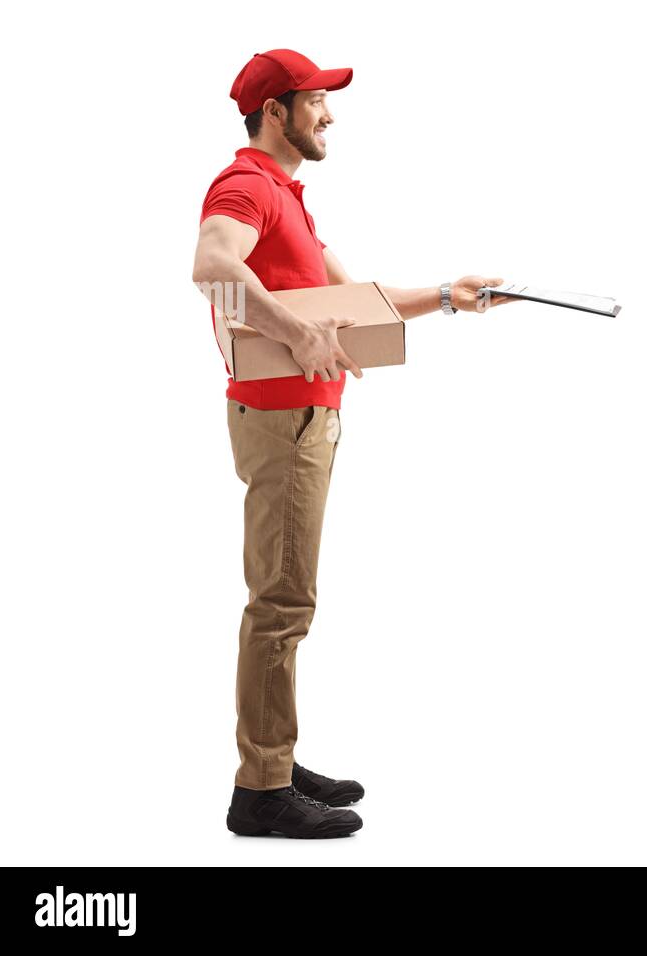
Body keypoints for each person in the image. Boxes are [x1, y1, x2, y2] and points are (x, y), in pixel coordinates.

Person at [191, 48, 513, 838]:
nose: (329, 115)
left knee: (288, 596)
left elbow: (358, 303)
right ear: (277, 112)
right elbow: (209, 268)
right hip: (283, 422)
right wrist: (297, 332)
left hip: (304, 420)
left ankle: (276, 752)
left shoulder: (289, 201)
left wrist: (446, 297)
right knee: (282, 600)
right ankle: (260, 790)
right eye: (316, 102)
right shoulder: (246, 186)